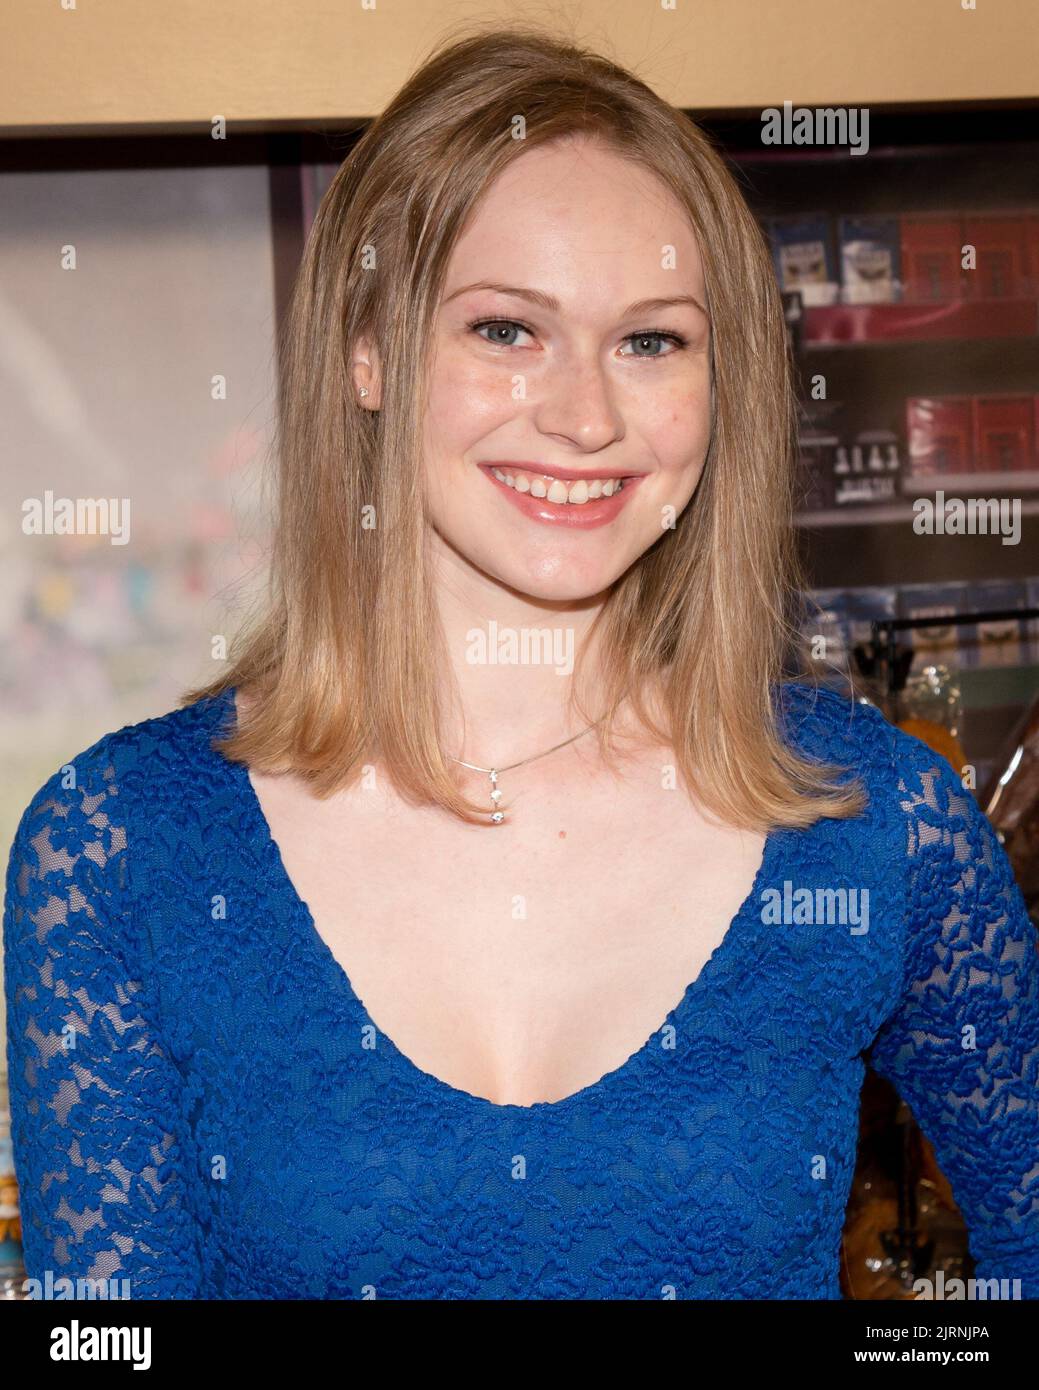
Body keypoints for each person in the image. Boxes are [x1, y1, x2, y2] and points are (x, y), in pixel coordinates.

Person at [4, 26, 1038, 1301]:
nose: (587, 415)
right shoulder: (120, 845)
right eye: (506, 330)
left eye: (652, 341)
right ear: (368, 349)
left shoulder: (877, 826)